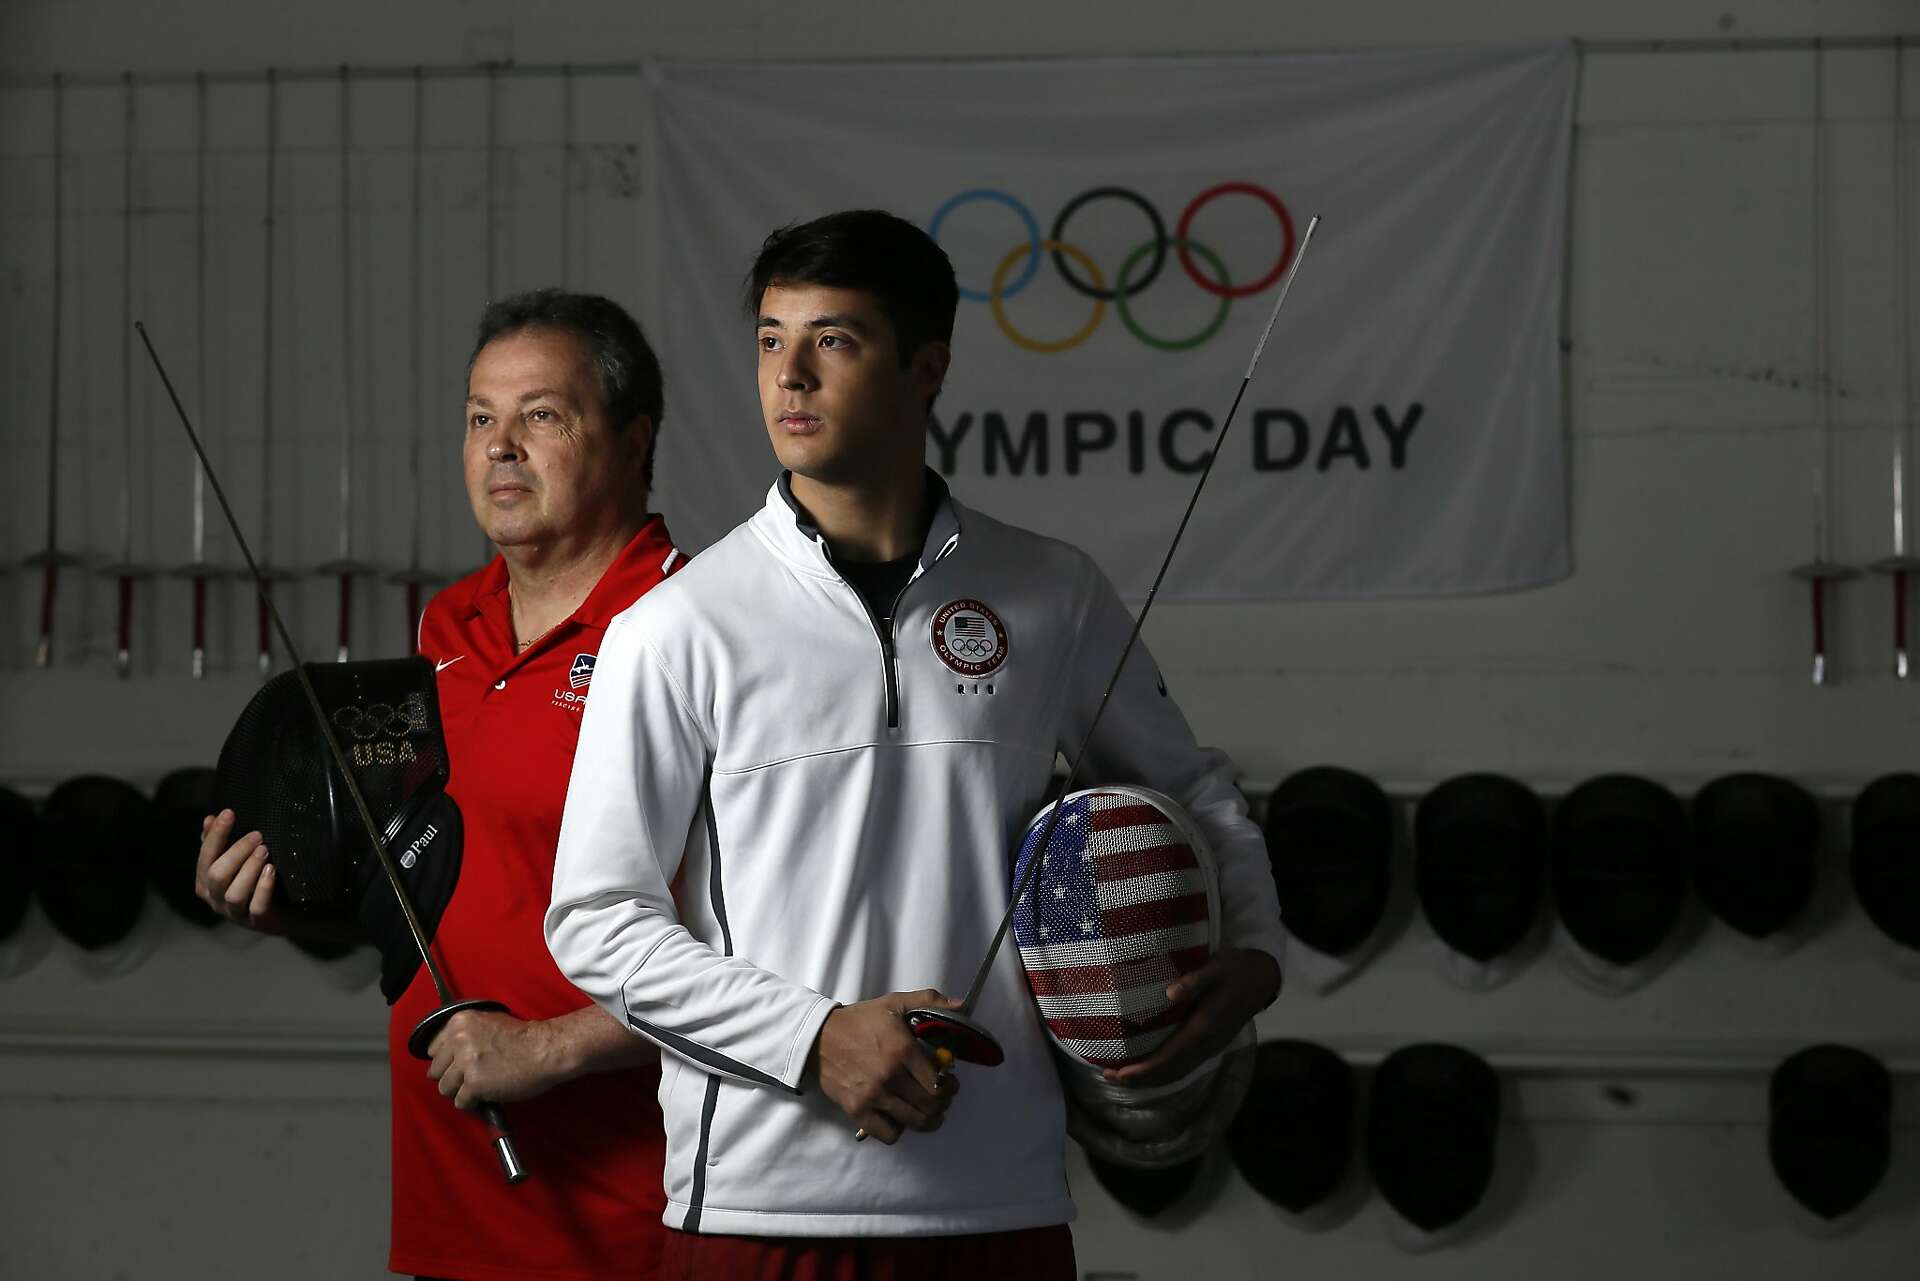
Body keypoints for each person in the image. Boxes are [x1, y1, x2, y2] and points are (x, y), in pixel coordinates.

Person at [545, 210, 1287, 1279]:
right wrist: (814, 1037)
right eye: (769, 339)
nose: (789, 375)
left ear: (926, 366)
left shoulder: (1051, 591)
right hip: (762, 1209)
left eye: (833, 341)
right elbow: (598, 920)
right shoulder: (677, 626)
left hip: (999, 1195)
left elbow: (1195, 795)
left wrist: (1254, 951)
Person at [195, 289, 683, 1281]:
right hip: (453, 1216)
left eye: (542, 415)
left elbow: (777, 949)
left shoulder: (703, 629)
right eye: (480, 418)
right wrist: (294, 910)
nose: (502, 447)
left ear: (634, 442)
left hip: (643, 1228)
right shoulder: (441, 635)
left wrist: (550, 1050)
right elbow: (439, 900)